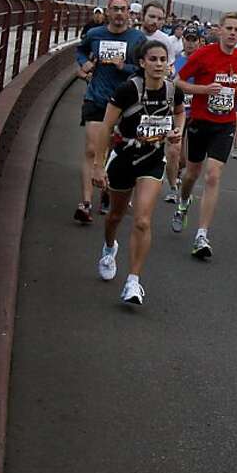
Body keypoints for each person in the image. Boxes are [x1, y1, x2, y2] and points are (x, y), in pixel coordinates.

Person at [91, 40, 184, 305]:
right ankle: (110, 248)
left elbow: (180, 112)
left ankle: (133, 282)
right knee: (115, 217)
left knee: (142, 219)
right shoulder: (126, 90)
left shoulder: (172, 91)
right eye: (152, 59)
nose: (158, 64)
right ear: (142, 63)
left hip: (152, 158)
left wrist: (178, 131)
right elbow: (106, 127)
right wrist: (98, 166)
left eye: (162, 59)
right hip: (123, 158)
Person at [172, 11, 237, 258]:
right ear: (219, 30)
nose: (233, 33)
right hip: (200, 121)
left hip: (225, 124)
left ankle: (202, 234)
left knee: (213, 176)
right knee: (192, 174)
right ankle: (183, 202)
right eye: (229, 28)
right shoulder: (203, 54)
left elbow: (236, 84)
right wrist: (203, 89)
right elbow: (178, 81)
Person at [73, 0, 146, 224]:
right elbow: (80, 50)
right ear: (107, 11)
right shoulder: (95, 34)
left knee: (117, 151)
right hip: (97, 97)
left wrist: (125, 67)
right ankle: (85, 203)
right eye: (115, 9)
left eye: (123, 9)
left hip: (125, 102)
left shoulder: (137, 38)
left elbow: (143, 67)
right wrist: (83, 62)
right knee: (93, 148)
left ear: (129, 13)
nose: (119, 13)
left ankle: (107, 188)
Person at [164, 26, 201, 203]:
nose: (190, 42)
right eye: (188, 38)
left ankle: (179, 176)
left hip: (194, 113)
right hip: (176, 111)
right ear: (183, 40)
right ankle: (173, 187)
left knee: (185, 158)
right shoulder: (174, 61)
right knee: (174, 150)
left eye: (194, 39)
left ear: (199, 42)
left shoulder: (203, 62)